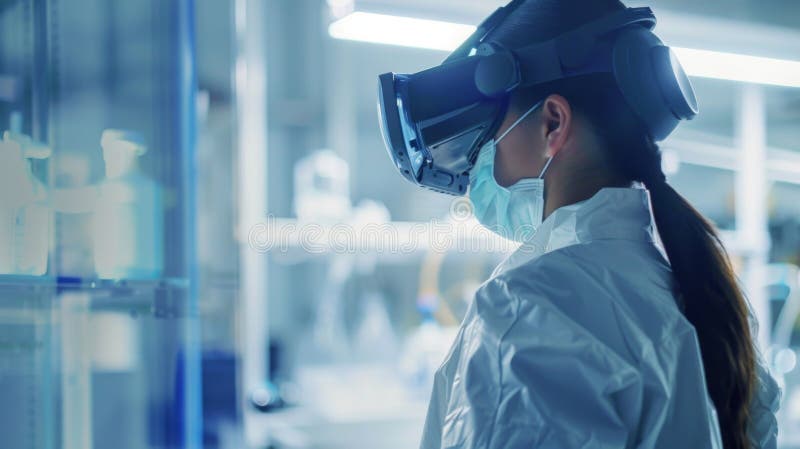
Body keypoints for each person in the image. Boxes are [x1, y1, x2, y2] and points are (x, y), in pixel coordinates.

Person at [412, 1, 781, 448]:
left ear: (553, 123)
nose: (478, 167)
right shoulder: (708, 299)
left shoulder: (536, 306)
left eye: (491, 135)